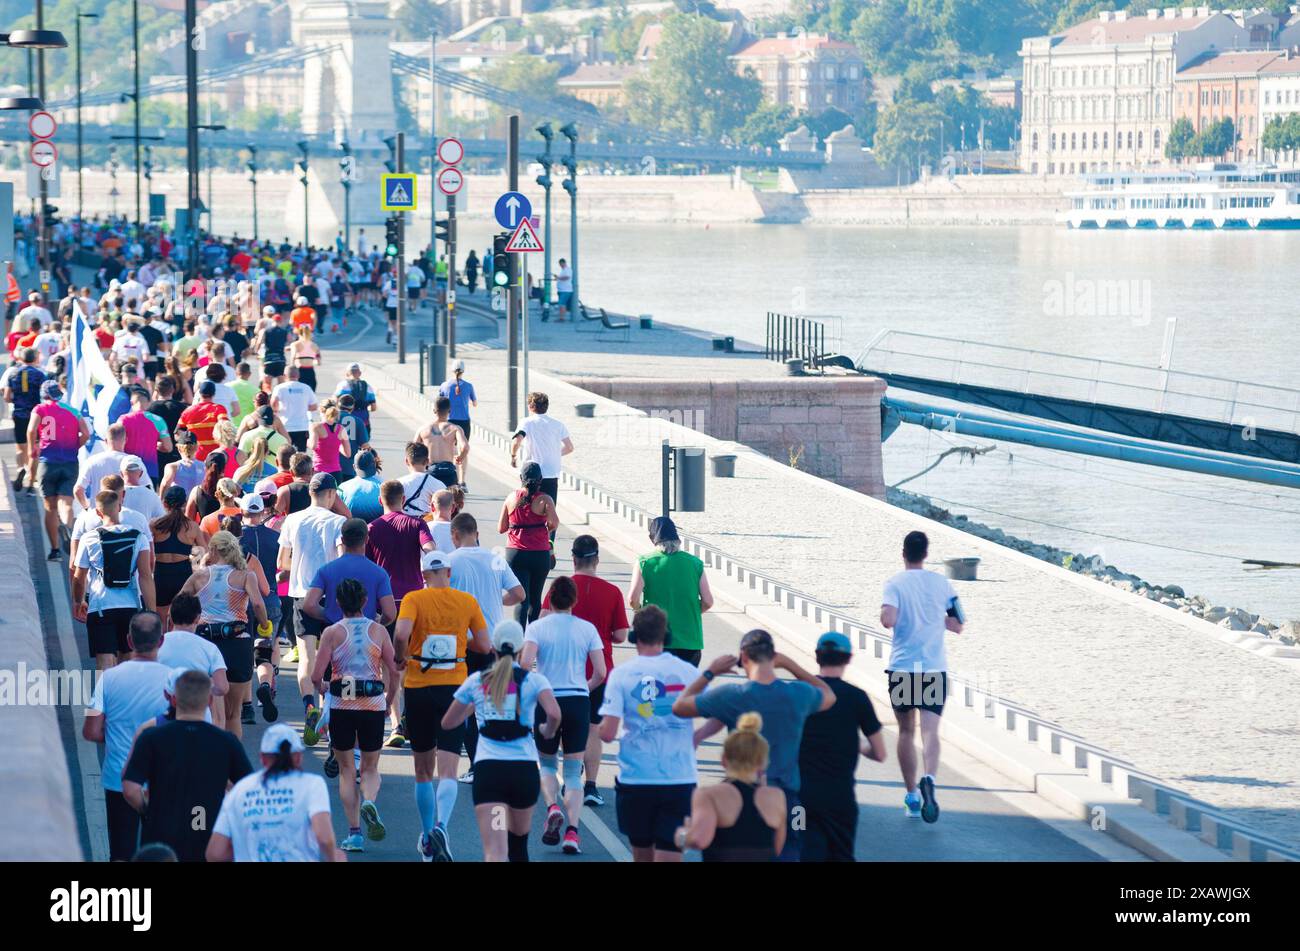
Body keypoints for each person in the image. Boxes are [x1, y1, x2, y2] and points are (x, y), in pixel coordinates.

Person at [672, 628, 834, 862]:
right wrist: (790, 665)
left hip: (744, 792)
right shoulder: (798, 694)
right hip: (791, 798)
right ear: (773, 657)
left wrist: (709, 673)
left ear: (744, 658)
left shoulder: (732, 695)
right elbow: (828, 694)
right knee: (793, 850)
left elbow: (680, 706)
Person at [393, 550, 490, 862]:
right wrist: (462, 644)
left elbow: (401, 634)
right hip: (454, 687)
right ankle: (442, 826)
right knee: (449, 767)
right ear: (448, 571)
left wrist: (400, 657)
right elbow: (485, 646)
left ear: (423, 575)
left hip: (419, 687)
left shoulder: (413, 599)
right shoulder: (467, 601)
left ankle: (427, 838)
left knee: (423, 770)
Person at [440, 619, 561, 863]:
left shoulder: (477, 681)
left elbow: (448, 723)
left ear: (492, 649)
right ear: (520, 650)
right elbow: (555, 714)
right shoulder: (534, 680)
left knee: (495, 852)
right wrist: (547, 731)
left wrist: (473, 707)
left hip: (490, 773)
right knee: (518, 848)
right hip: (523, 772)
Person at [597, 605, 697, 862]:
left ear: (634, 637)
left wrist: (599, 729)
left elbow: (607, 734)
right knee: (671, 853)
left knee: (642, 856)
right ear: (666, 636)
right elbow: (718, 711)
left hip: (637, 779)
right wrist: (695, 738)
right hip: (679, 778)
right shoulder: (689, 673)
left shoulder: (621, 675)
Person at [122, 670, 253, 862]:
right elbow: (248, 788)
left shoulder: (151, 737)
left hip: (161, 834)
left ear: (173, 700)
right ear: (209, 701)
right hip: (207, 832)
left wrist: (147, 810)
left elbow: (130, 789)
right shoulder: (226, 742)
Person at [880, 530, 964, 824]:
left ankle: (913, 795)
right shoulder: (943, 584)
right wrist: (935, 620)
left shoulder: (894, 583)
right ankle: (930, 777)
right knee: (930, 731)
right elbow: (958, 624)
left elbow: (888, 619)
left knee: (906, 732)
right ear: (926, 554)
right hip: (933, 668)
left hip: (903, 668)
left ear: (903, 553)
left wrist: (899, 617)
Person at [520, 576, 606, 855]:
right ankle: (572, 832)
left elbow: (523, 664)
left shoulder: (537, 627)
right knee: (572, 770)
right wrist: (584, 687)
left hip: (547, 699)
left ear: (551, 599)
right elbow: (601, 673)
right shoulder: (587, 629)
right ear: (574, 600)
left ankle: (552, 806)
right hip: (579, 700)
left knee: (546, 763)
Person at [311, 577, 398, 852]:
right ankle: (369, 801)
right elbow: (394, 670)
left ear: (337, 603)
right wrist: (390, 700)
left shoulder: (332, 633)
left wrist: (323, 687)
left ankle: (355, 833)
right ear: (365, 601)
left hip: (342, 705)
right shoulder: (379, 631)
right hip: (372, 703)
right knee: (370, 768)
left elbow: (315, 675)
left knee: (347, 770)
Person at [542, 535, 629, 807]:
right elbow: (621, 635)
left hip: (563, 669)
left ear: (574, 559)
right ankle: (591, 785)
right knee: (592, 729)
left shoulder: (561, 587)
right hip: (600, 669)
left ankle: (568, 775)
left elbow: (543, 622)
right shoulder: (612, 592)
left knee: (562, 724)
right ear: (597, 561)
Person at [82, 611, 171, 861]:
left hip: (118, 778)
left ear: (129, 641)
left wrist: (114, 733)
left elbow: (90, 730)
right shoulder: (174, 678)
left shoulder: (107, 679)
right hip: (162, 778)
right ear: (161, 641)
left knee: (121, 853)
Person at [446, 511, 525, 780]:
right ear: (477, 533)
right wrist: (495, 600)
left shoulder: (450, 561)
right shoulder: (495, 560)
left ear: (454, 536)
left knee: (467, 704)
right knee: (496, 703)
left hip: (464, 642)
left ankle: (476, 765)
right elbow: (519, 594)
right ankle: (502, 758)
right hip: (494, 641)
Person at [798, 631, 886, 862]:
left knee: (800, 852)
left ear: (817, 656)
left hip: (799, 798)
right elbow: (880, 753)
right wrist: (857, 744)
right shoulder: (857, 698)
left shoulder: (799, 693)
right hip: (839, 798)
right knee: (840, 856)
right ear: (848, 659)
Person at [206, 723, 345, 862]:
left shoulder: (241, 789)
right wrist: (333, 857)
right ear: (298, 757)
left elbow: (215, 853)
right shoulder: (312, 784)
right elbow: (324, 838)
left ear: (262, 758)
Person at [177, 530, 268, 738]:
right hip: (236, 642)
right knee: (232, 714)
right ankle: (232, 765)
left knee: (205, 710)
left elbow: (179, 604)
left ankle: (207, 761)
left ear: (213, 550)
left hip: (205, 643)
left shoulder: (199, 576)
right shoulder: (245, 575)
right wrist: (265, 625)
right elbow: (257, 604)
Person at [278, 471, 347, 744]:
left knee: (306, 658)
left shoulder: (293, 520)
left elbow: (283, 563)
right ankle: (326, 716)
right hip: (330, 599)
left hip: (299, 596)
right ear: (331, 494)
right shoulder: (339, 522)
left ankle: (309, 706)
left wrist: (296, 569)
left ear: (310, 493)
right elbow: (342, 562)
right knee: (331, 661)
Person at [674, 713, 786, 862]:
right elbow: (776, 848)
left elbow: (699, 840)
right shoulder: (777, 796)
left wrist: (682, 835)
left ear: (723, 760)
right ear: (762, 764)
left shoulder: (708, 795)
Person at [73, 490, 158, 669]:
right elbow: (145, 576)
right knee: (128, 659)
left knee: (104, 660)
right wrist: (152, 611)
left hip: (100, 607)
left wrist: (78, 601)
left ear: (98, 512)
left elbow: (79, 577)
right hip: (130, 606)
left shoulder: (89, 538)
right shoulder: (138, 537)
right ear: (119, 507)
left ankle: (104, 696)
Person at [629, 516, 712, 666]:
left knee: (659, 686)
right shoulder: (695, 563)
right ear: (677, 538)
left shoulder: (645, 562)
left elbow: (632, 599)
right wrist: (691, 611)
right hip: (690, 639)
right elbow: (708, 601)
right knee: (686, 687)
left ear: (652, 539)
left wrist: (640, 611)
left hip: (656, 638)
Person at [27, 380, 90, 560]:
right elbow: (86, 434)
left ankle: (55, 550)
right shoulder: (72, 410)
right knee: (66, 503)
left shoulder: (39, 408)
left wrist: (33, 449)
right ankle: (66, 525)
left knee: (49, 507)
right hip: (70, 462)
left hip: (48, 462)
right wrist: (76, 446)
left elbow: (31, 430)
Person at [238, 491, 283, 724]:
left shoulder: (236, 540)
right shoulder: (274, 537)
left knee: (246, 654)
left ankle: (246, 708)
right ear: (262, 511)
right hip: (271, 599)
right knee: (264, 652)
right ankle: (266, 685)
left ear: (242, 512)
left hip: (244, 602)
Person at [156, 592, 230, 727]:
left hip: (162, 711)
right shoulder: (209, 648)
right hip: (198, 714)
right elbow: (222, 688)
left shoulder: (156, 645)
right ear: (198, 618)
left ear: (171, 618)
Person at [498, 462, 558, 627]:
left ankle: (518, 641)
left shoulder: (511, 498)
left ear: (521, 478)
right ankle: (533, 638)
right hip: (539, 554)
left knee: (521, 599)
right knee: (535, 599)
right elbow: (554, 523)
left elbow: (501, 528)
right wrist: (543, 526)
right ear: (540, 479)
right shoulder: (545, 500)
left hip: (516, 553)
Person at [151, 484, 208, 630]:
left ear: (164, 503)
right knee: (180, 620)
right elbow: (204, 553)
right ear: (184, 503)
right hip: (183, 575)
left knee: (161, 619)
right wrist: (196, 568)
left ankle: (163, 649)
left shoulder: (154, 524)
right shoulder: (192, 526)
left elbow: (147, 551)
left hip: (161, 575)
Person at [509, 392, 572, 517]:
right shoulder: (558, 425)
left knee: (528, 509)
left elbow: (516, 441)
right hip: (551, 474)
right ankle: (549, 536)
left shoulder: (526, 422)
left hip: (531, 475)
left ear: (531, 407)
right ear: (546, 406)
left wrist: (513, 456)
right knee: (550, 511)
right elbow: (569, 447)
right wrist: (554, 454)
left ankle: (530, 534)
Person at [1, 347, 45, 491]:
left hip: (19, 414)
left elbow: (7, 397)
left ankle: (21, 468)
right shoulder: (40, 374)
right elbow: (44, 396)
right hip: (36, 415)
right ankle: (32, 478)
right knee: (35, 447)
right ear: (35, 358)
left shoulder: (13, 373)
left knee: (21, 447)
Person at [437, 360, 476, 488]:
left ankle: (448, 477)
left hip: (449, 420)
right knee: (463, 449)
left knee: (449, 449)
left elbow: (439, 402)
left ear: (452, 370)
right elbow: (475, 403)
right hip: (464, 422)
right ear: (463, 371)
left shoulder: (444, 385)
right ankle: (462, 481)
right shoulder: (469, 386)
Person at [415, 395, 466, 491]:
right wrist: (460, 458)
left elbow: (413, 451)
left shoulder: (422, 429)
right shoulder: (455, 428)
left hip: (432, 471)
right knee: (451, 502)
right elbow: (465, 447)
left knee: (431, 502)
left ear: (434, 410)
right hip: (449, 472)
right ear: (450, 411)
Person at [179, 380, 229, 461]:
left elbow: (178, 433)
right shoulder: (219, 409)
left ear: (199, 393)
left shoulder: (187, 411)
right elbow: (225, 427)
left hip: (196, 456)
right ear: (214, 394)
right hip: (216, 456)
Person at [272, 366, 319, 453]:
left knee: (284, 454)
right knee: (300, 454)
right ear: (298, 375)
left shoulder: (279, 388)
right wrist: (303, 406)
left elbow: (273, 403)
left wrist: (277, 410)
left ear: (284, 375)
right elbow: (314, 406)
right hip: (302, 426)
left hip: (284, 426)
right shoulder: (306, 388)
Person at [397, 440, 440, 518]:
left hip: (402, 525)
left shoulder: (398, 483)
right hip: (427, 526)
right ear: (427, 461)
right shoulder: (438, 484)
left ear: (406, 461)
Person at [338, 449, 383, 523]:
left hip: (350, 530)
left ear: (354, 467)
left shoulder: (342, 487)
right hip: (377, 531)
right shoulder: (385, 485)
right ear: (374, 464)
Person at [309, 399, 351, 475]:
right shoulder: (341, 429)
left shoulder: (315, 426)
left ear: (321, 411)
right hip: (336, 471)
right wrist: (336, 444)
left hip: (318, 470)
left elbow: (313, 446)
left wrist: (308, 441)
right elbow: (348, 453)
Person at [334, 362, 376, 431]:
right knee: (364, 440)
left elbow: (335, 401)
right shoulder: (368, 387)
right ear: (360, 373)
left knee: (345, 440)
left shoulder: (343, 385)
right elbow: (373, 407)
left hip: (346, 420)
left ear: (347, 373)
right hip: (363, 420)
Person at [289, 323, 322, 393]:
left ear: (299, 332)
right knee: (310, 395)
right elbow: (319, 362)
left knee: (298, 394)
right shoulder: (315, 345)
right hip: (310, 371)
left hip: (300, 371)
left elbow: (293, 357)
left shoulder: (295, 344)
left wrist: (291, 368)